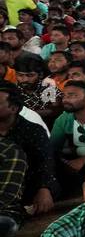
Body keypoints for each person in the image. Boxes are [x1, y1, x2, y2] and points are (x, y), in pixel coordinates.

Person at [0, 81, 57, 215]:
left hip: (28, 181)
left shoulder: (33, 130)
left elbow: (46, 161)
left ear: (13, 108)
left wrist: (44, 189)